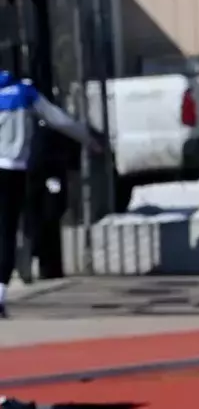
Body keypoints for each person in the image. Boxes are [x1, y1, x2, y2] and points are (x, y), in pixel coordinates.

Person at [0, 70, 101, 318]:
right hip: (13, 170)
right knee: (7, 231)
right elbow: (59, 120)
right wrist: (88, 138)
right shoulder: (25, 93)